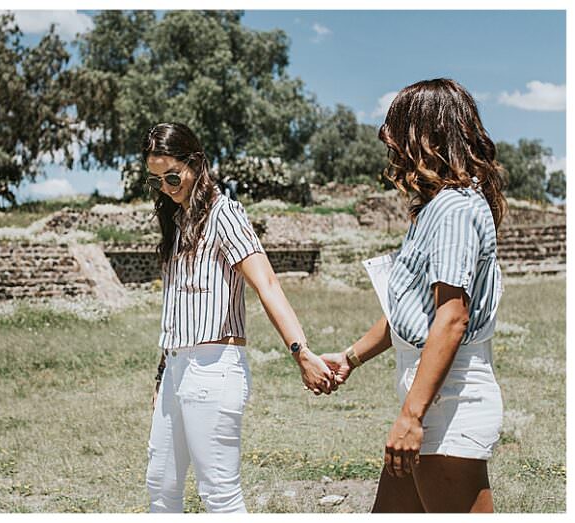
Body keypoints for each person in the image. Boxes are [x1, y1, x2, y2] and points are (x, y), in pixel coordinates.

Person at [320, 79, 507, 513]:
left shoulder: (455, 209)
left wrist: (412, 417)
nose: (387, 140)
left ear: (425, 135)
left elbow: (452, 318)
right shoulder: (439, 207)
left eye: (395, 129)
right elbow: (415, 313)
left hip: (448, 404)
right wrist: (350, 358)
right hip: (433, 400)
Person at [143, 122, 336, 513]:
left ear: (196, 163)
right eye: (155, 180)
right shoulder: (178, 221)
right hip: (177, 368)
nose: (166, 187)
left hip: (213, 368)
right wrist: (164, 372)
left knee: (219, 494)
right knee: (160, 486)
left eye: (172, 176)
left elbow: (267, 284)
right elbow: (178, 307)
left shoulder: (224, 214)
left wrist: (300, 351)